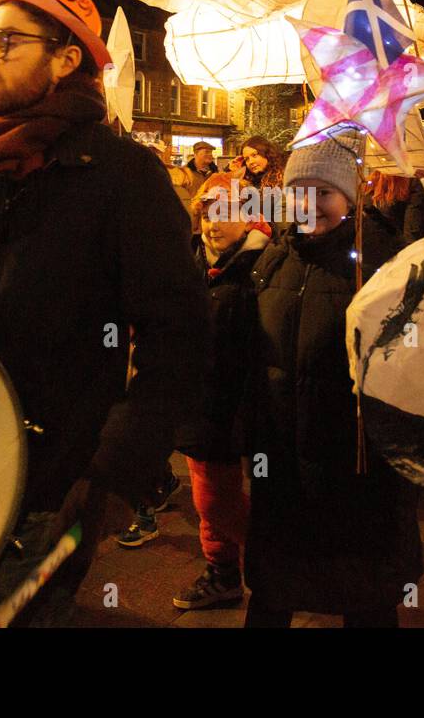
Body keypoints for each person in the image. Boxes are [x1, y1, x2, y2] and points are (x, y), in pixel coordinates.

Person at [0, 0, 208, 626]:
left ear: (67, 58)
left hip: (51, 483)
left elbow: (179, 335)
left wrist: (111, 474)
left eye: (6, 42)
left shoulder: (123, 174)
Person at [245, 129, 422, 628]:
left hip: (356, 465)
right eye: (298, 191)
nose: (308, 205)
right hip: (281, 461)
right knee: (274, 588)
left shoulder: (384, 260)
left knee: (362, 591)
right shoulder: (272, 259)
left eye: (323, 192)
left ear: (351, 193)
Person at [171, 173, 271, 609]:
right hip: (199, 398)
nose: (213, 223)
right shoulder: (191, 259)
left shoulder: (265, 266)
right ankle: (222, 572)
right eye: (208, 212)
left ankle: (282, 558)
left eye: (225, 212)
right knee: (205, 491)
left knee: (216, 498)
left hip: (244, 401)